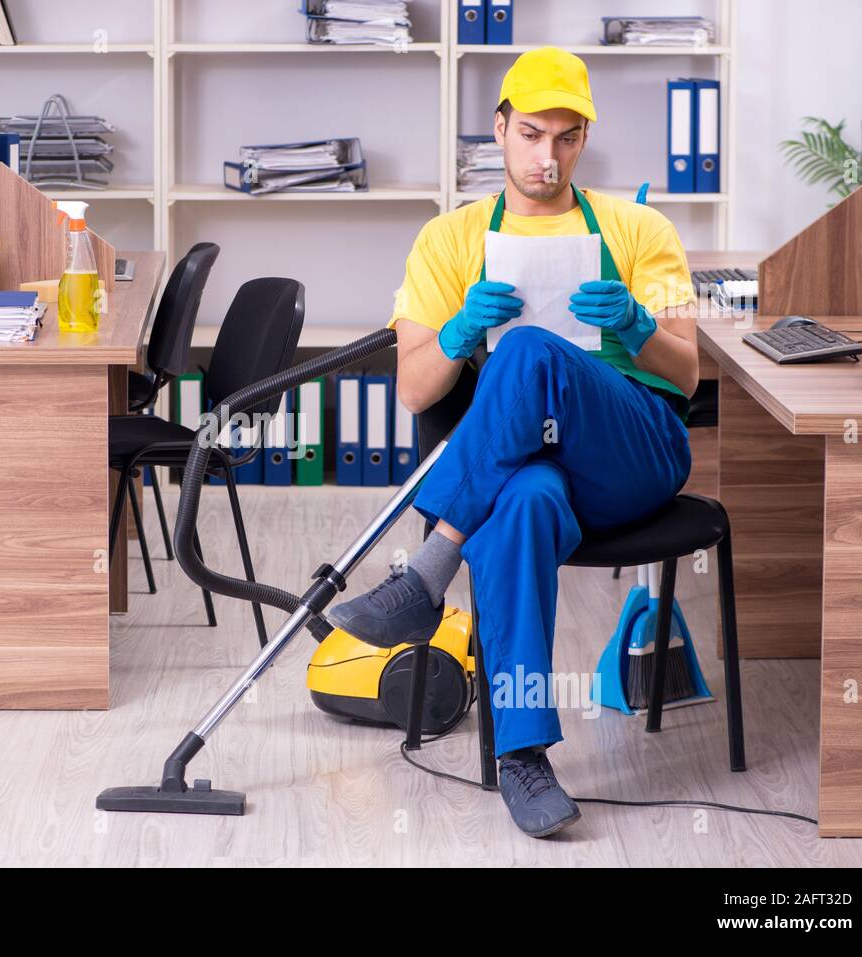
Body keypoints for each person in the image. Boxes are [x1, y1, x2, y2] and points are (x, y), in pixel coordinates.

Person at [327, 47, 698, 838]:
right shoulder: (449, 240)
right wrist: (461, 329)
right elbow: (416, 390)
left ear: (585, 137)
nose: (547, 156)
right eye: (531, 134)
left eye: (566, 138)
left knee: (527, 352)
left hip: (635, 451)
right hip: (537, 470)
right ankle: (523, 757)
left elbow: (689, 373)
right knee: (523, 501)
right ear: (498, 128)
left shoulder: (641, 228)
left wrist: (634, 324)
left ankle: (429, 566)